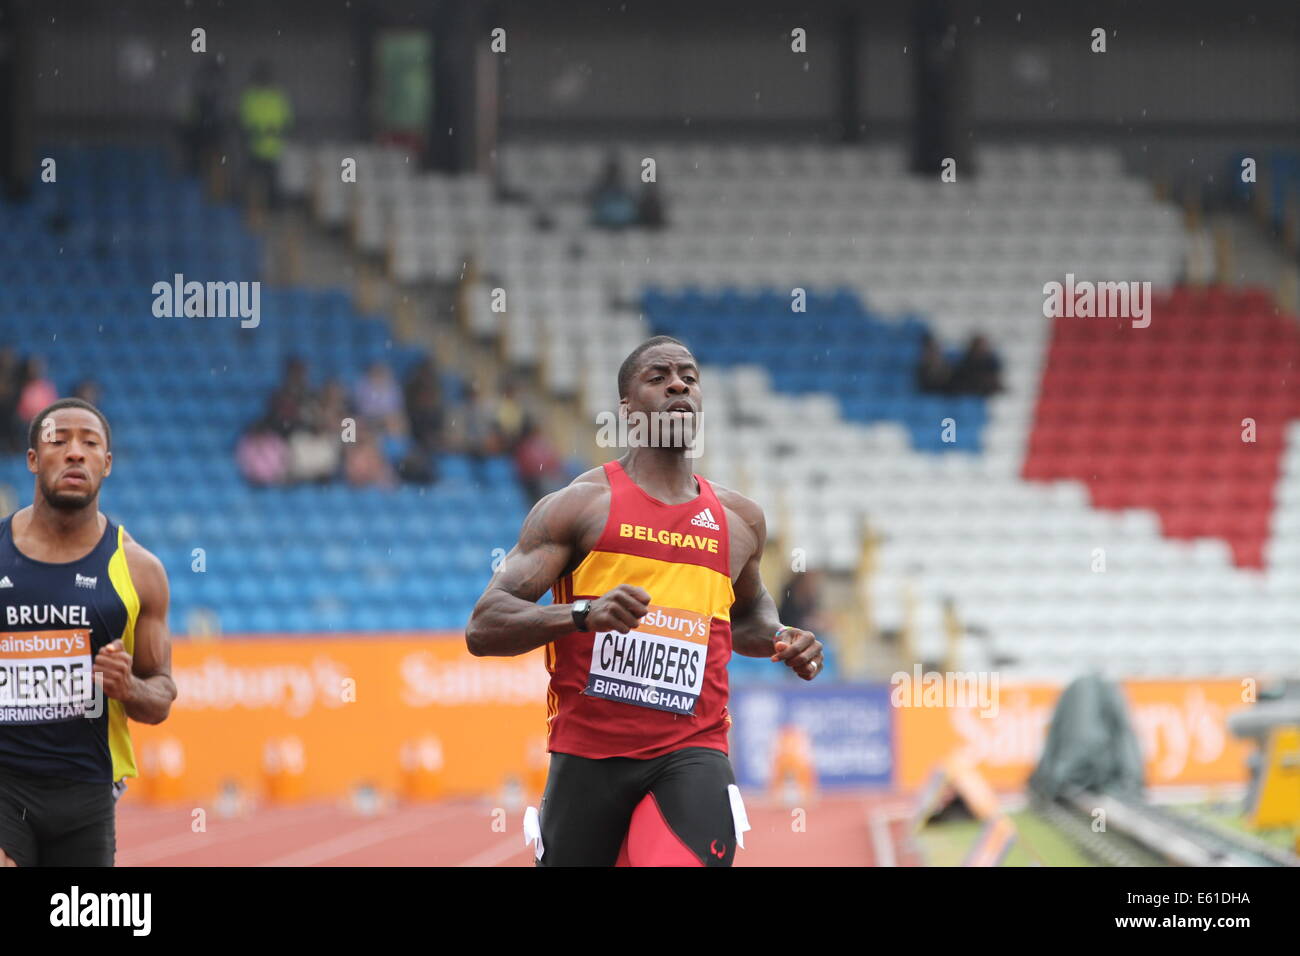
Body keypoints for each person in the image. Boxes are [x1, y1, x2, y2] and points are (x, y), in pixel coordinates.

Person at [466, 336, 824, 867]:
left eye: (689, 377)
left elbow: (747, 617)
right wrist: (583, 615)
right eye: (658, 377)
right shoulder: (579, 507)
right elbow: (484, 626)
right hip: (588, 756)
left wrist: (781, 639)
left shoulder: (739, 519)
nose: (679, 384)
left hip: (692, 751)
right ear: (628, 409)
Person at [0, 399, 175, 867]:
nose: (75, 453)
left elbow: (161, 698)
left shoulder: (139, 571)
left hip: (87, 790)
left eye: (90, 443)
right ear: (33, 459)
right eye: (58, 441)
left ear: (107, 463)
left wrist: (128, 686)